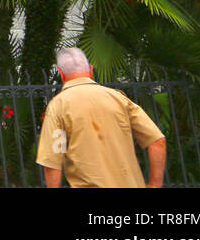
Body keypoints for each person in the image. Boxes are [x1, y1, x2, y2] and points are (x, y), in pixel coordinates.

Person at [35, 47, 167, 188]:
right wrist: (155, 184)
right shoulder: (119, 99)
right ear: (91, 70)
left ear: (61, 74)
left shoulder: (58, 106)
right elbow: (157, 141)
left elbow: (52, 161)